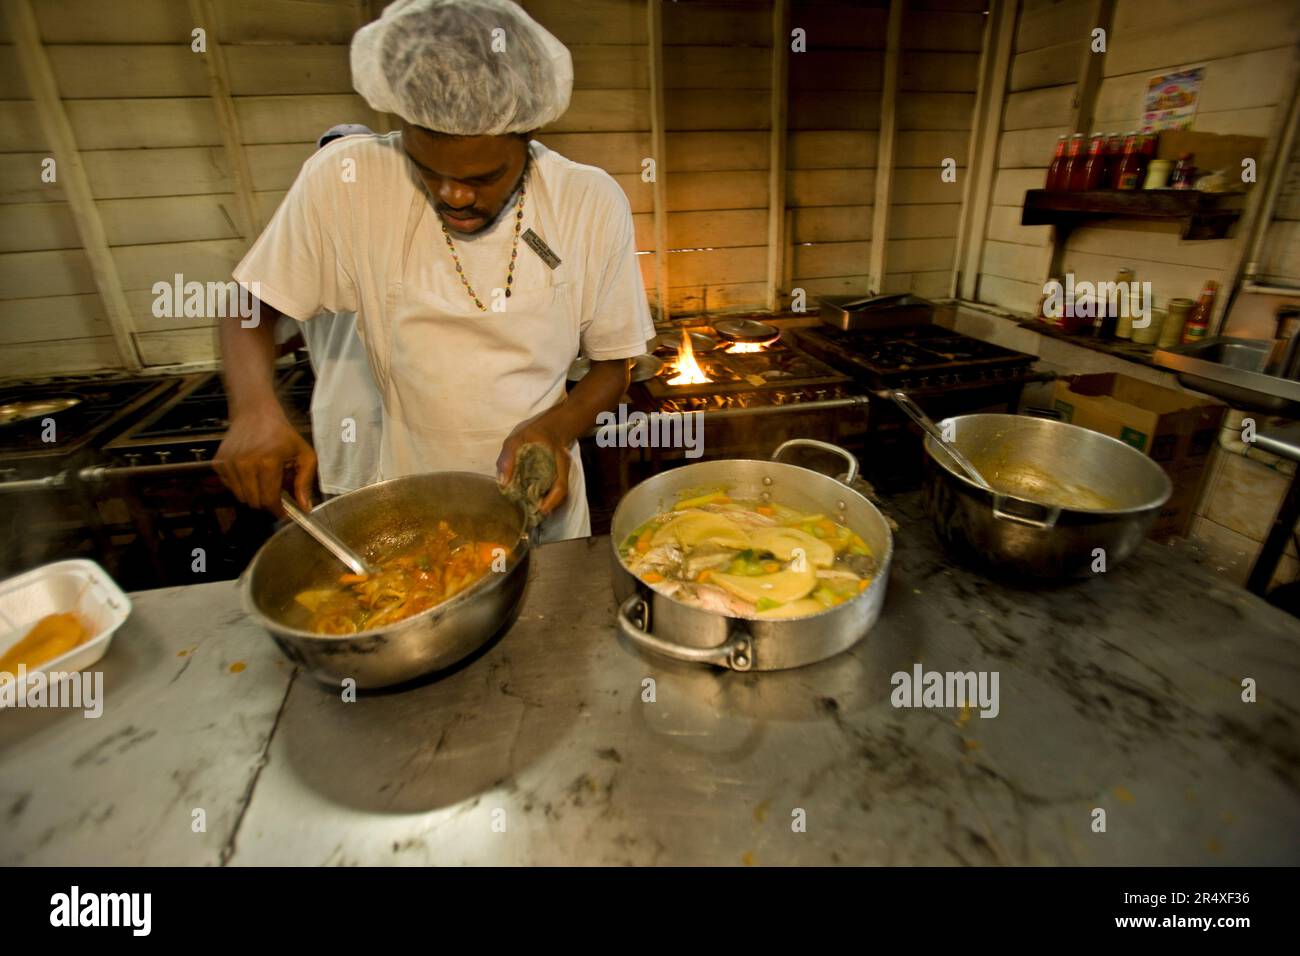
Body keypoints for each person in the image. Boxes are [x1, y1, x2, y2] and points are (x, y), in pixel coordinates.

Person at [214, 0, 653, 541]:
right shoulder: (347, 180)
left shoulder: (588, 200)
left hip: (544, 511)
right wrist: (255, 410)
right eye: (428, 170)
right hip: (406, 509)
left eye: (485, 176)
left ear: (528, 133)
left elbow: (613, 368)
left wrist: (553, 429)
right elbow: (247, 304)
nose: (453, 195)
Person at [274, 124, 385, 496]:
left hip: (343, 413)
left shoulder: (297, 244)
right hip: (379, 413)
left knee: (364, 528)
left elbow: (275, 338)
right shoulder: (396, 234)